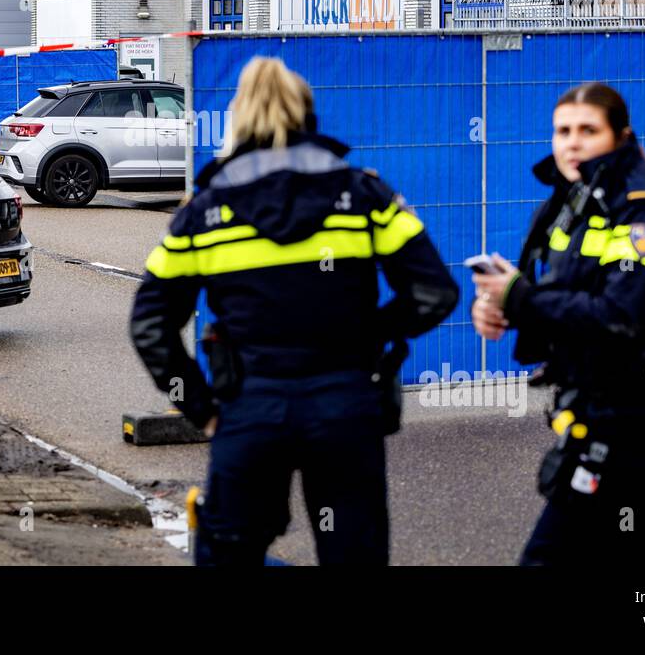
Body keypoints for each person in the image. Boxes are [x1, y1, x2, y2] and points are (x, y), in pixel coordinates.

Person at [129, 57, 459, 566]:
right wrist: (365, 337)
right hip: (348, 408)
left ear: (238, 121)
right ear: (308, 118)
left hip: (249, 411)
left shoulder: (204, 213)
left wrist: (202, 409)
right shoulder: (365, 196)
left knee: (230, 555)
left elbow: (151, 323)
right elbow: (435, 293)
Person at [471, 82, 645, 566]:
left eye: (588, 130)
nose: (572, 143)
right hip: (601, 408)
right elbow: (568, 300)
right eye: (562, 130)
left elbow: (621, 318)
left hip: (639, 420)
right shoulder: (576, 202)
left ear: (620, 136)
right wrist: (502, 307)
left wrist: (519, 297)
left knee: (548, 558)